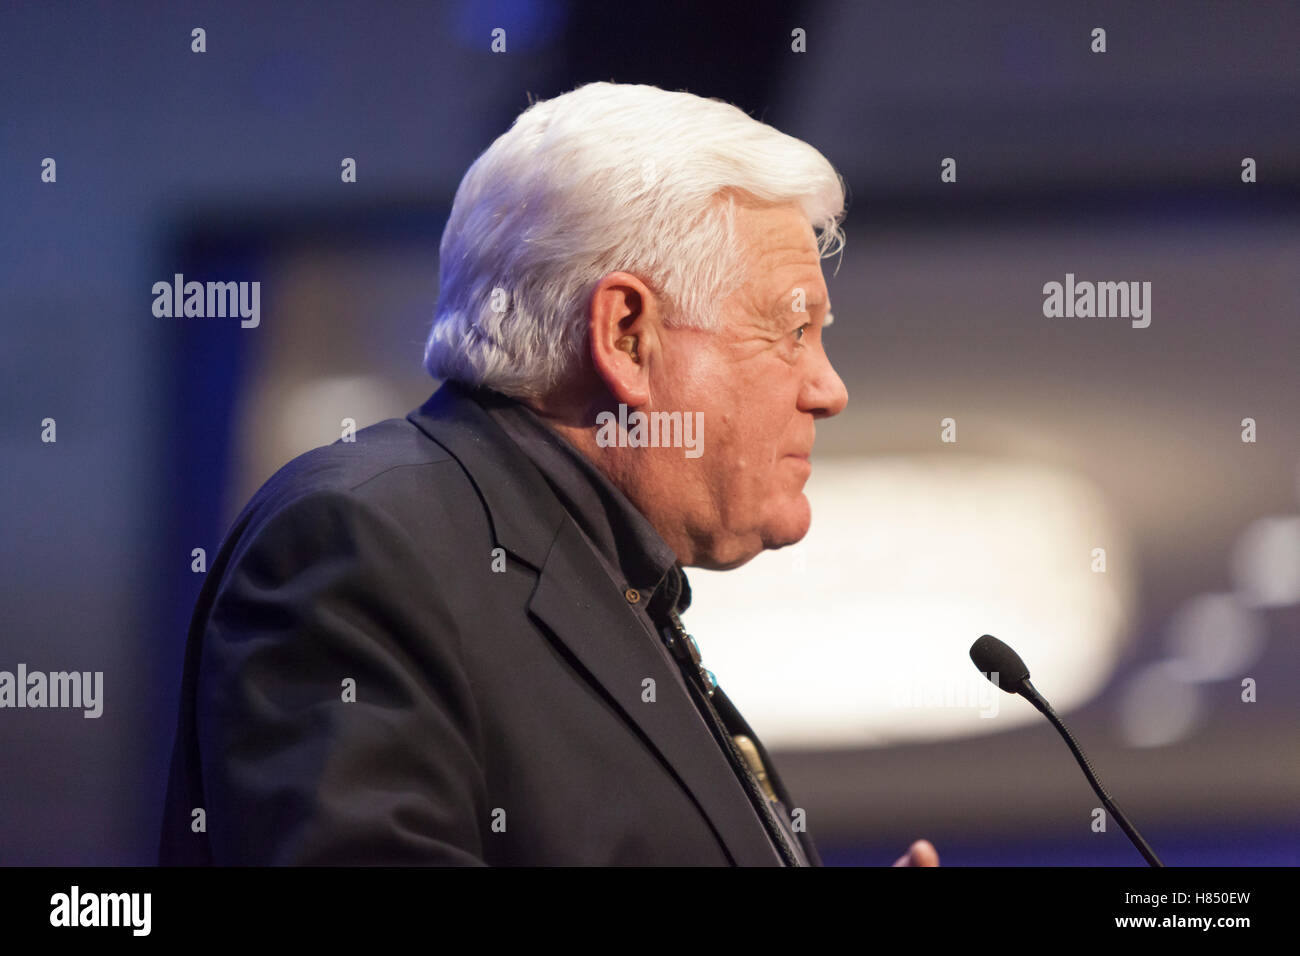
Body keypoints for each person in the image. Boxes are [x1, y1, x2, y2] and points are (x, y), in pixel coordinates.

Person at [159, 81, 938, 867]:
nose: (828, 390)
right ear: (628, 336)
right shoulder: (361, 542)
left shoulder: (610, 579)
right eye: (792, 331)